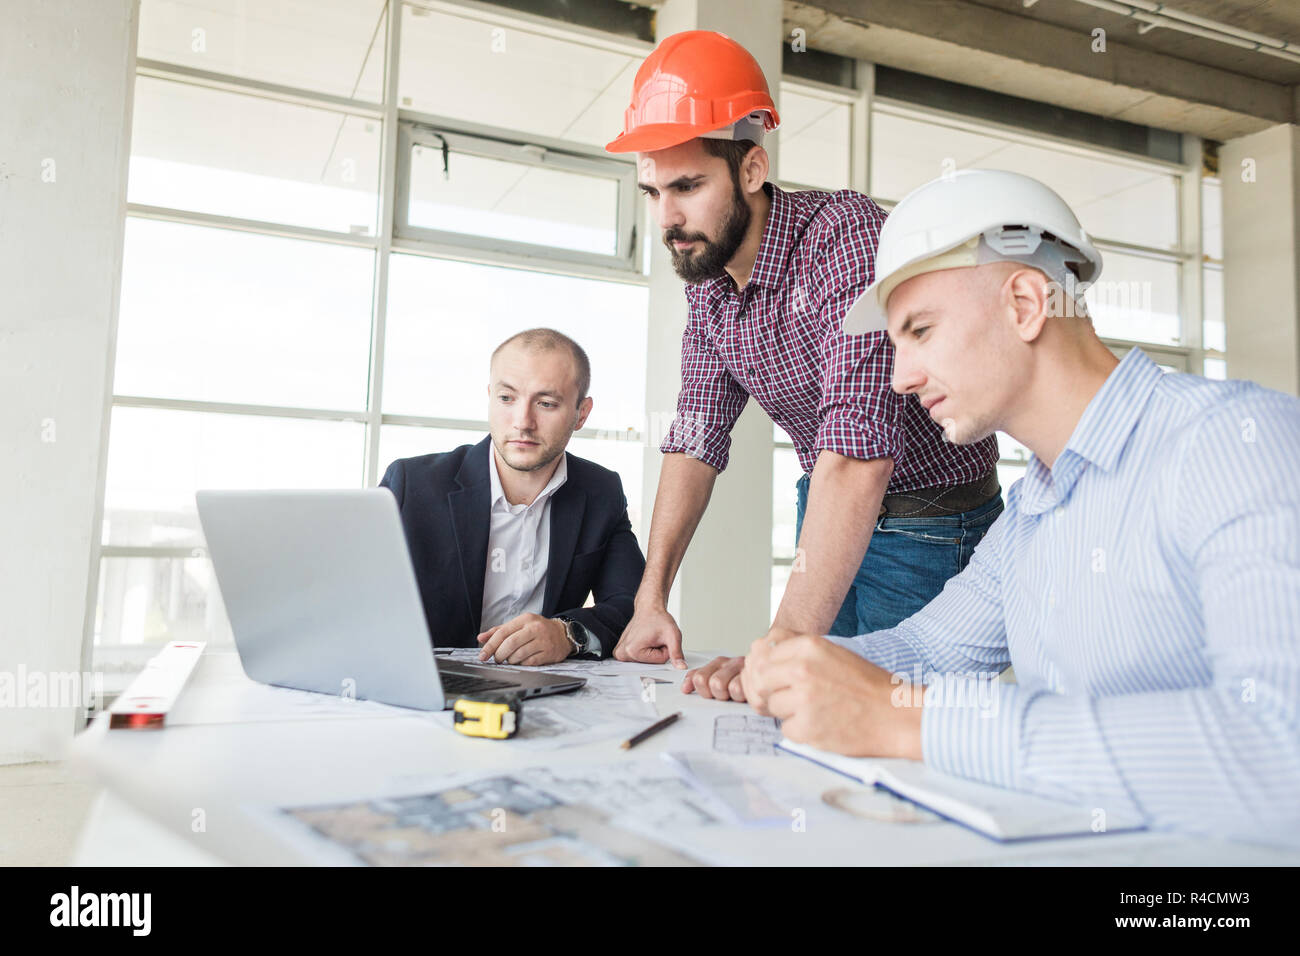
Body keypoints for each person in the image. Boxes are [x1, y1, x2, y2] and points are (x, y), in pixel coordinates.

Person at [740, 168, 1300, 843]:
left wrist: (909, 722)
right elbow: (928, 648)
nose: (900, 377)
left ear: (1027, 305)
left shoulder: (1234, 446)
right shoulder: (1032, 510)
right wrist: (798, 668)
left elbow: (1281, 745)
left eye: (920, 330)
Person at [604, 30, 1002, 683]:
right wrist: (651, 601)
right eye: (652, 192)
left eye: (687, 186)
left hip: (929, 524)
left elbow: (859, 449)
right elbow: (694, 441)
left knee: (889, 727)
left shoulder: (842, 237)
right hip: (827, 509)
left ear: (752, 170)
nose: (667, 218)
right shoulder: (709, 288)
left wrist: (778, 645)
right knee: (811, 711)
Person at [379, 328, 645, 665]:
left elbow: (632, 606)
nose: (523, 422)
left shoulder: (600, 491)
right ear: (490, 397)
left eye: (546, 403)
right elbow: (353, 597)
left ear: (582, 413)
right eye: (507, 399)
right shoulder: (410, 484)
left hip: (542, 692)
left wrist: (566, 634)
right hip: (424, 686)